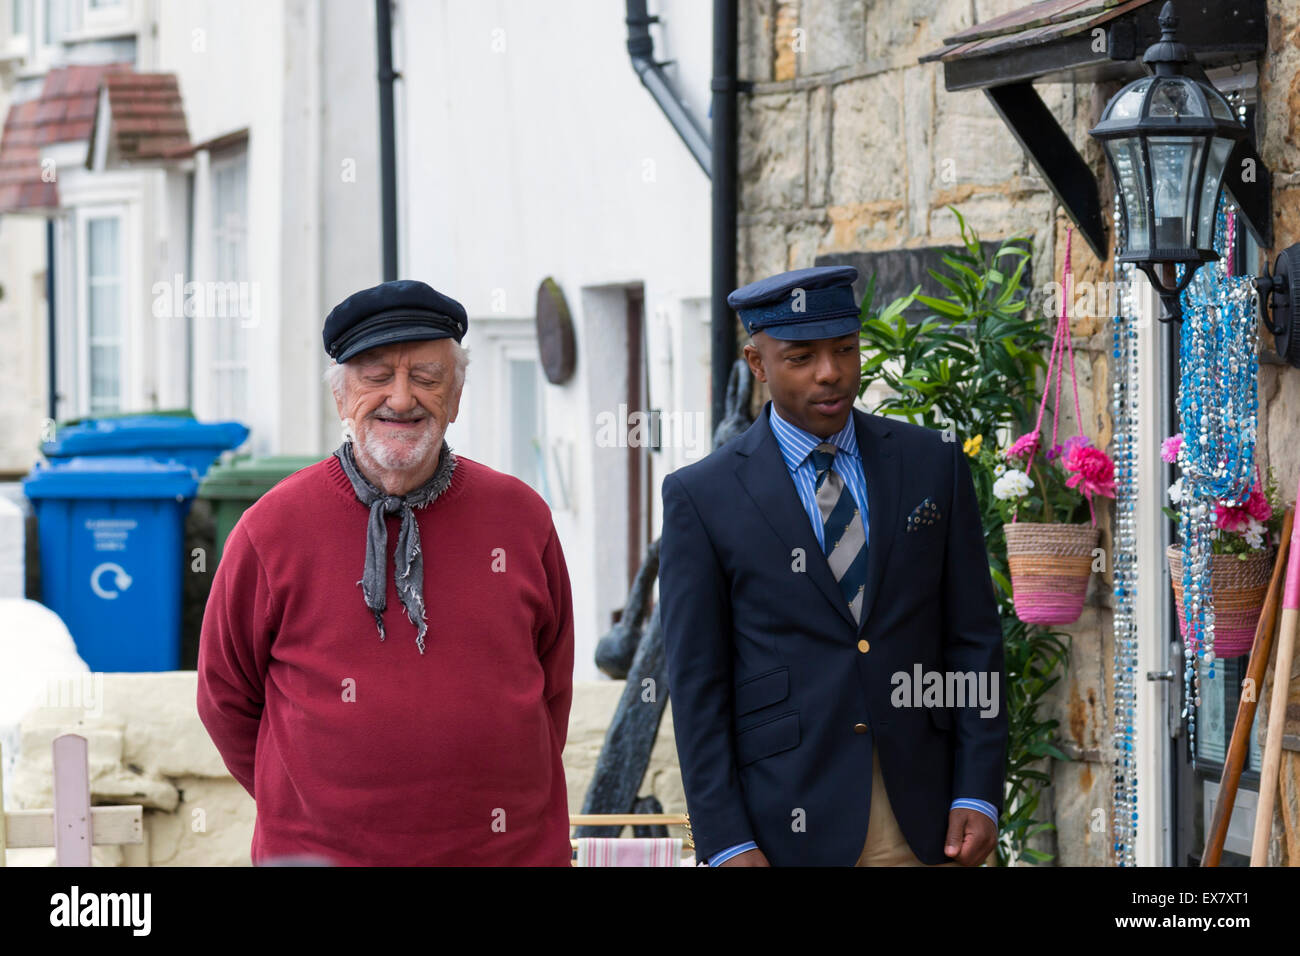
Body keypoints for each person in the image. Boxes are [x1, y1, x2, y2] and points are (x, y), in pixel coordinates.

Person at [197, 279, 574, 866]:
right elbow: (225, 698)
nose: (401, 398)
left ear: (456, 395)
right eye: (376, 377)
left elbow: (552, 688)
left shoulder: (522, 518)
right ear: (341, 396)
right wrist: (306, 807)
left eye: (426, 376)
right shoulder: (270, 530)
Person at [660, 266, 1007, 867]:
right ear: (758, 363)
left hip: (925, 819)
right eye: (802, 357)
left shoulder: (932, 463)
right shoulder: (702, 496)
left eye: (845, 349)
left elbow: (973, 639)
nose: (831, 373)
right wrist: (725, 841)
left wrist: (979, 788)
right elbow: (698, 686)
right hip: (783, 827)